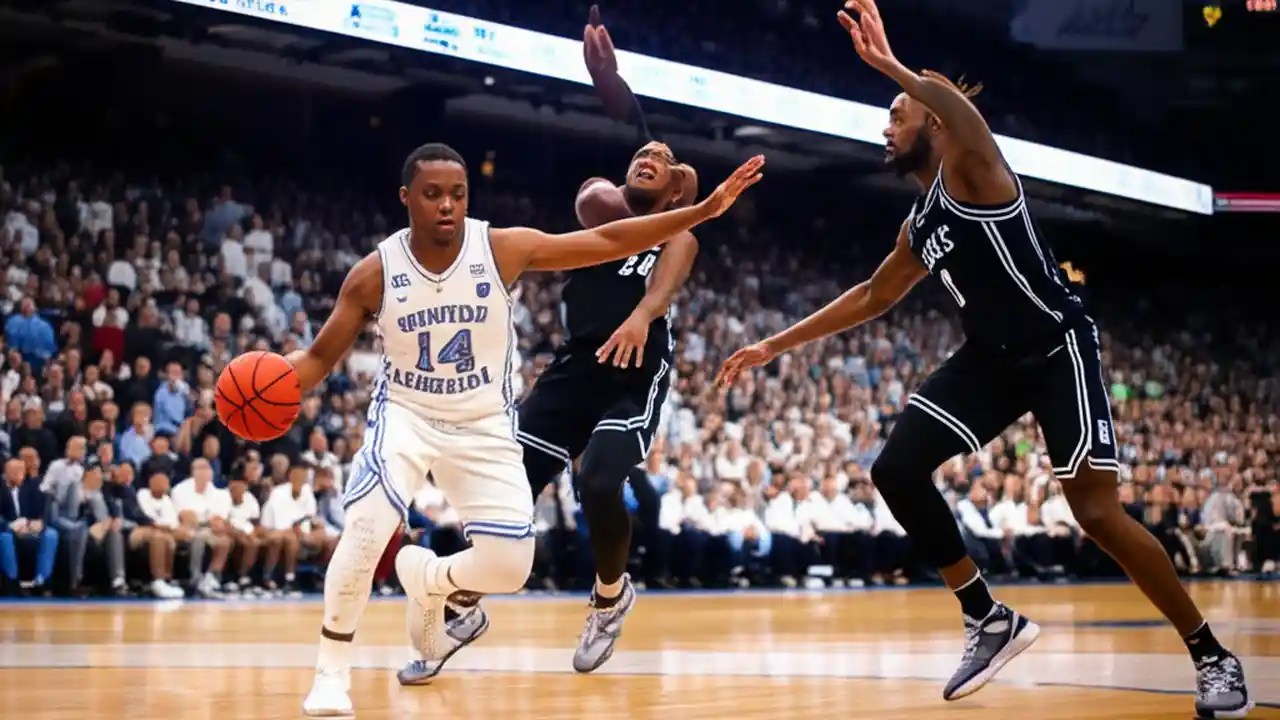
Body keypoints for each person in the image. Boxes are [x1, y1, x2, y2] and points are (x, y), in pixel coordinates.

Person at [716, 2, 1250, 716]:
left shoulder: (976, 170)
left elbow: (960, 115)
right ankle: (986, 616)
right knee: (895, 469)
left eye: (897, 113)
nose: (886, 124)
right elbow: (874, 294)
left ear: (933, 123)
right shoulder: (920, 220)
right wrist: (774, 344)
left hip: (1057, 344)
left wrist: (891, 66)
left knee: (1095, 512)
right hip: (990, 360)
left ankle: (1212, 655)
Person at [290, 141, 763, 716]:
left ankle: (603, 599)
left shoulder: (667, 237)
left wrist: (693, 225)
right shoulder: (598, 204)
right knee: (434, 521)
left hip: (614, 378)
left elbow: (652, 260)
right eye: (433, 194)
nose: (446, 205)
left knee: (582, 494)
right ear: (406, 198)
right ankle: (428, 619)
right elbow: (600, 212)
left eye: (457, 194)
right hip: (539, 380)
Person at [510, 7, 700, 675]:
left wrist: (645, 312)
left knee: (597, 479)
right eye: (641, 158)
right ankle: (464, 598)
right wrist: (607, 82)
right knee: (511, 488)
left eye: (663, 161)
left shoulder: (677, 228)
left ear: (678, 185)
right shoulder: (602, 212)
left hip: (634, 367)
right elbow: (633, 134)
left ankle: (610, 597)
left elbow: (680, 232)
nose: (649, 157)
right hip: (576, 366)